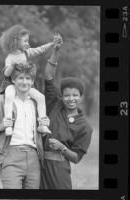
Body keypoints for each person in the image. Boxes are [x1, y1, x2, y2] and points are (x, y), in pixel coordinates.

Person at [0, 62, 49, 189]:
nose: (24, 82)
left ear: (32, 81)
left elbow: (41, 132)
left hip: (34, 157)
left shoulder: (36, 103)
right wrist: (0, 126)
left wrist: (44, 124)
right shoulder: (0, 101)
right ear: (13, 79)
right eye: (20, 78)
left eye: (28, 78)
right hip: (10, 156)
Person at [40, 39, 93, 189]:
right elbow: (49, 77)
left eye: (75, 95)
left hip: (59, 169)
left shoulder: (85, 127)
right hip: (38, 163)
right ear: (61, 96)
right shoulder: (55, 104)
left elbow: (76, 158)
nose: (71, 99)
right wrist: (55, 51)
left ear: (81, 97)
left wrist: (61, 147)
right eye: (67, 95)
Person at [0, 24, 61, 136]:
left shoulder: (26, 52)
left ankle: (42, 124)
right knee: (9, 97)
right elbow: (6, 73)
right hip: (11, 84)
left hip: (26, 85)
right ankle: (8, 125)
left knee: (40, 97)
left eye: (28, 41)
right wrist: (12, 65)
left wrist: (52, 44)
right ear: (15, 42)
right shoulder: (10, 57)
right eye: (25, 41)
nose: (27, 43)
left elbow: (39, 50)